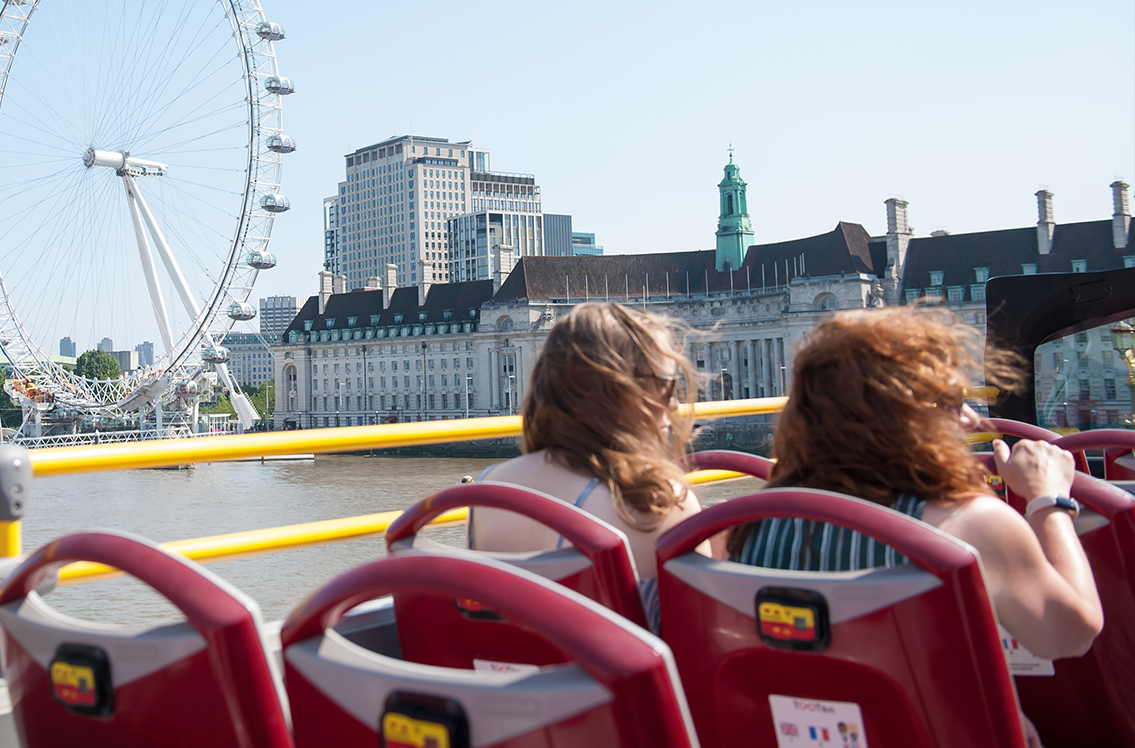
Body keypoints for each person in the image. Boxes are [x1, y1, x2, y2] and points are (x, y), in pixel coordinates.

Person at [726, 308, 1102, 748]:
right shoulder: (968, 524)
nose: (970, 419)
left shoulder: (749, 524)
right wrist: (1046, 500)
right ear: (903, 414)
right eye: (949, 400)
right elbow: (1070, 634)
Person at [471, 302, 707, 631]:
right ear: (621, 389)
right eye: (666, 385)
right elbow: (702, 634)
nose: (676, 403)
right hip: (618, 682)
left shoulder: (489, 487)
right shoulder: (658, 501)